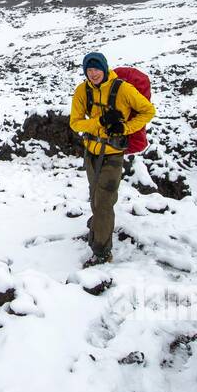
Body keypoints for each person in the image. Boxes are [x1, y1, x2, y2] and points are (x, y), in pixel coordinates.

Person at [69, 51, 156, 264]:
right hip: (91, 152)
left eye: (96, 69)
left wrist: (124, 127)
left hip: (113, 154)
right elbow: (76, 122)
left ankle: (101, 252)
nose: (93, 73)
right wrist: (100, 123)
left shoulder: (123, 89)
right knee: (95, 194)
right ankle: (100, 225)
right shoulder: (82, 91)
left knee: (104, 201)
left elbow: (148, 111)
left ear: (104, 68)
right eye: (89, 70)